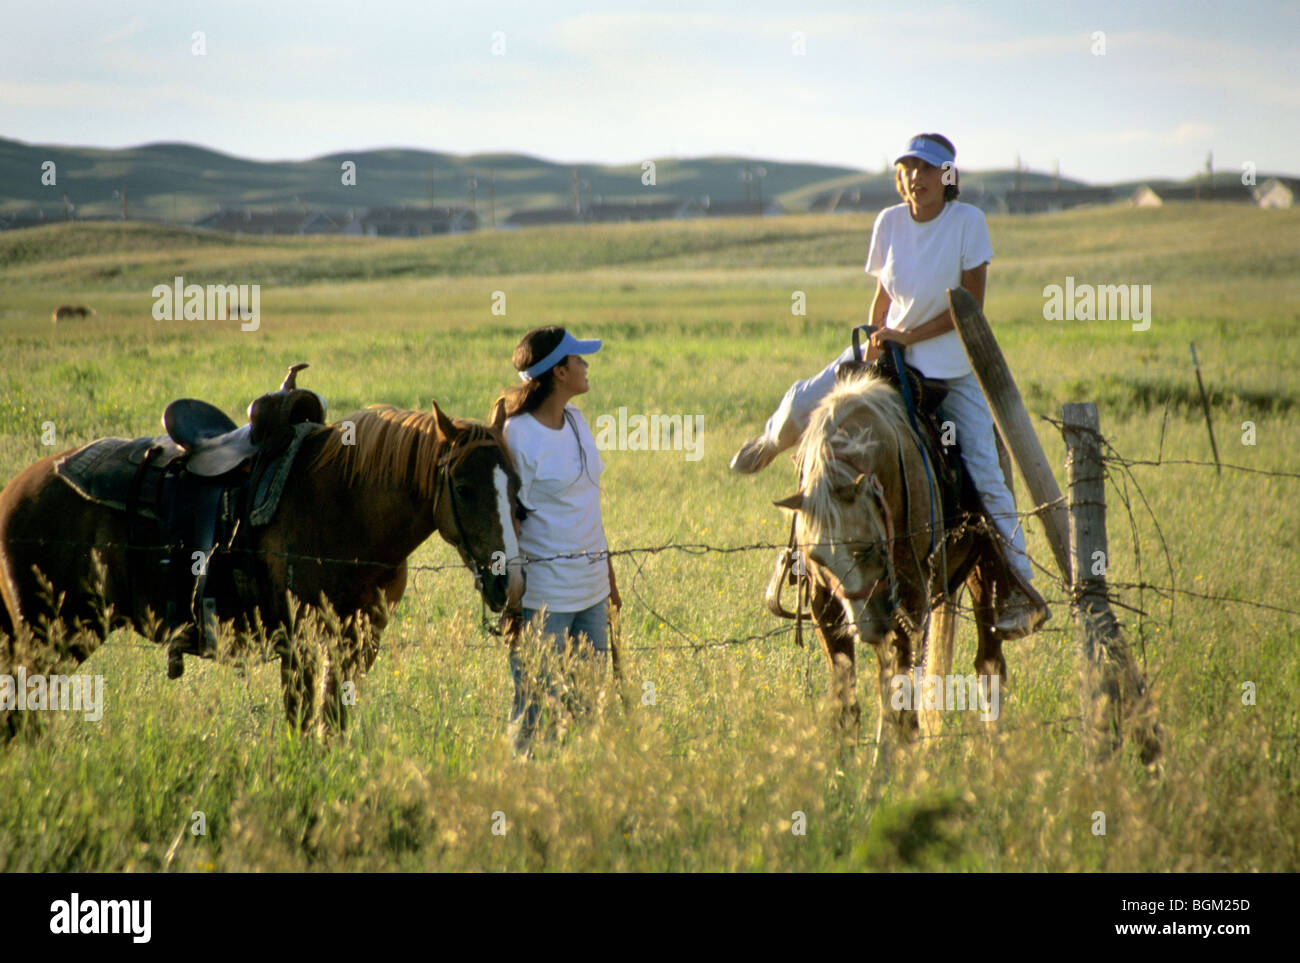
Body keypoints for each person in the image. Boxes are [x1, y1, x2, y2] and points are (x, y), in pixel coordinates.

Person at [730, 133, 1048, 637]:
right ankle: (770, 447)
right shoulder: (889, 222)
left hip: (947, 364)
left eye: (925, 170)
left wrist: (909, 334)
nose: (914, 178)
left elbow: (970, 306)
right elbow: (882, 297)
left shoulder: (969, 224)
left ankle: (1019, 589)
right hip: (887, 351)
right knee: (806, 402)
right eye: (907, 169)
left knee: (987, 473)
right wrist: (877, 337)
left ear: (947, 178)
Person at [495, 326, 621, 754]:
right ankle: (525, 800)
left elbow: (589, 505)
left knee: (588, 712)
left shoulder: (577, 421)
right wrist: (511, 596)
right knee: (534, 713)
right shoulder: (516, 435)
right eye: (578, 359)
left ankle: (574, 797)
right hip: (544, 600)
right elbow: (508, 520)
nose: (586, 365)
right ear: (559, 373)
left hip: (591, 594)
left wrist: (610, 579)